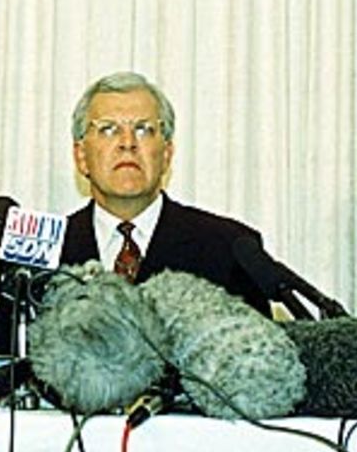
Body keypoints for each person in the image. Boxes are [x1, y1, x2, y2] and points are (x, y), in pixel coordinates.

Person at [60, 71, 270, 314]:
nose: (127, 143)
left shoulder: (229, 248)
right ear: (81, 156)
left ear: (167, 154)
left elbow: (257, 349)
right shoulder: (45, 256)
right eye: (108, 129)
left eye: (143, 129)